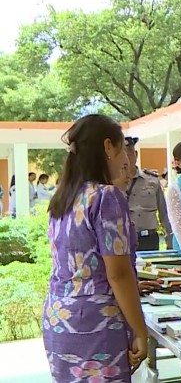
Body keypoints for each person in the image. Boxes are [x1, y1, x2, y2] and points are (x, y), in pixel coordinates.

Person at [42, 114, 146, 381]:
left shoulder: (62, 200)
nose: (127, 160)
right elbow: (118, 274)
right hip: (95, 324)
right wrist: (139, 330)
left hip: (59, 318)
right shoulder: (105, 197)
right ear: (108, 147)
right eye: (123, 149)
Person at [124, 137, 173, 251]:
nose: (127, 159)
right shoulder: (113, 183)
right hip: (125, 239)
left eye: (129, 154)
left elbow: (164, 213)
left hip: (149, 239)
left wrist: (170, 241)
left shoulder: (152, 180)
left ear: (136, 154)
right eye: (123, 155)